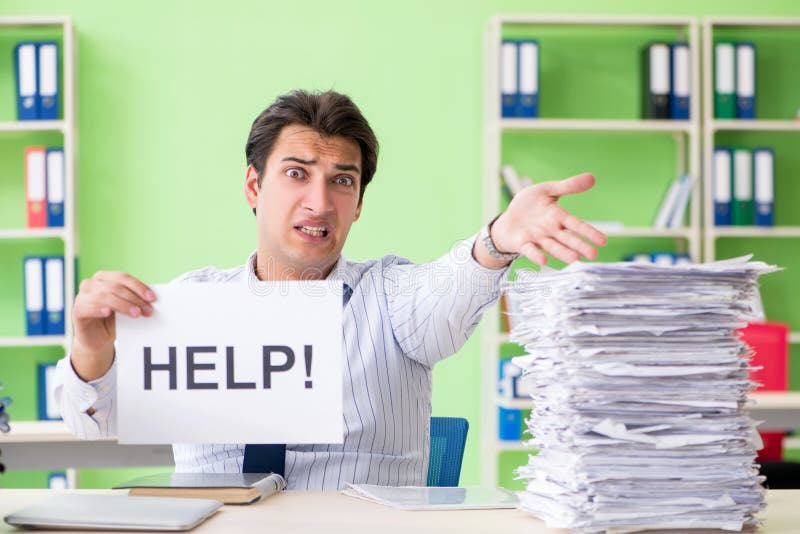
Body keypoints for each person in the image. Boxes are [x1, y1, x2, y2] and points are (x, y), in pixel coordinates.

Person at [54, 89, 606, 490]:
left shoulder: (391, 298)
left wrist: (497, 239)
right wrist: (91, 348)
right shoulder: (192, 302)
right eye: (297, 173)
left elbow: (448, 291)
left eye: (342, 180)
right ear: (254, 185)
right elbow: (92, 420)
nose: (320, 202)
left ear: (359, 203)